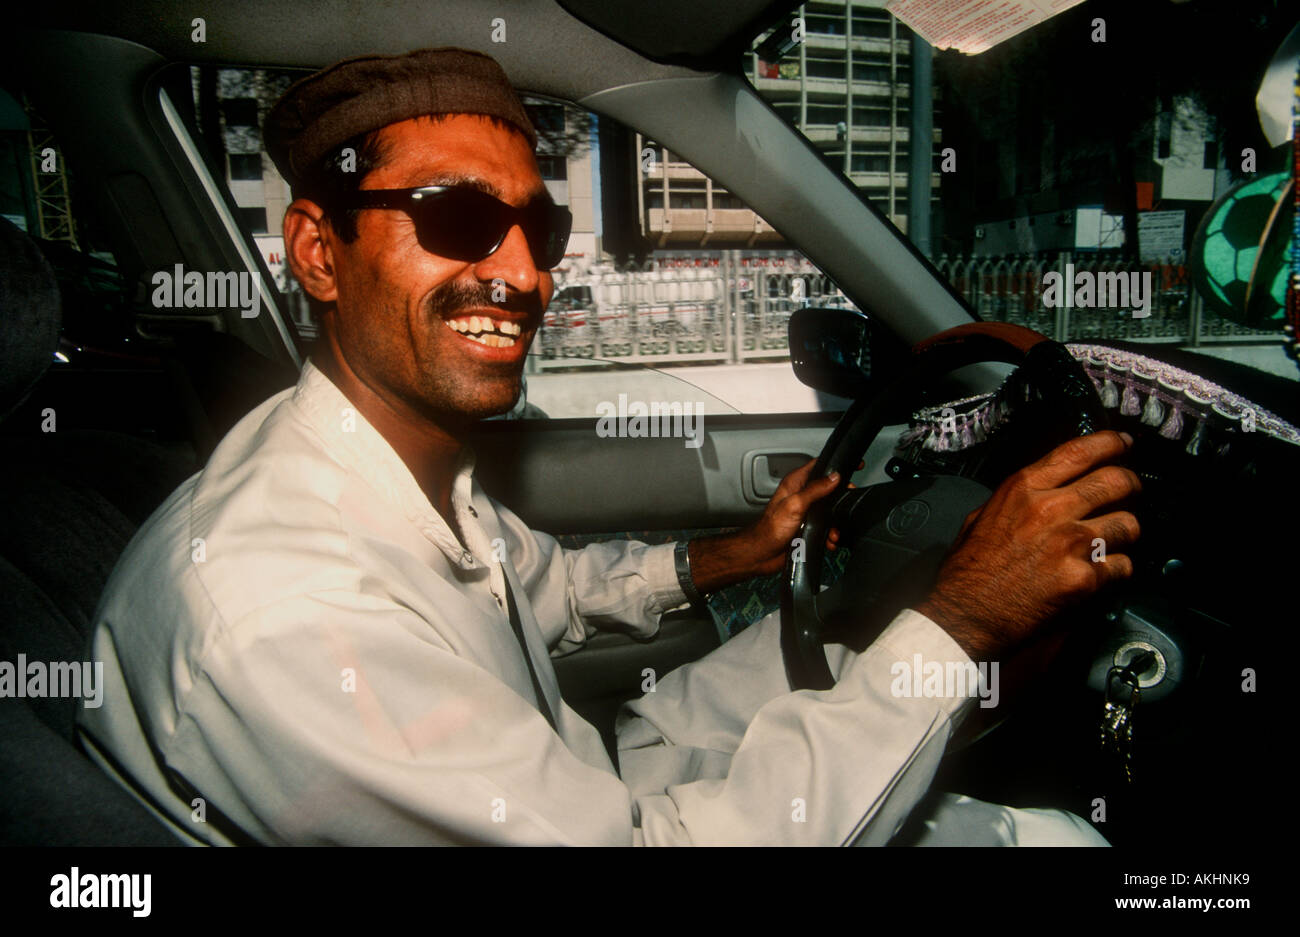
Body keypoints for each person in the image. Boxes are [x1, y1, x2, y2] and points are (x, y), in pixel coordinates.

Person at [77, 48, 1139, 845]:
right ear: (317, 250)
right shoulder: (290, 621)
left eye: (536, 233)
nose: (526, 275)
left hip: (581, 774)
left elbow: (540, 591)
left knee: (835, 654)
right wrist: (960, 621)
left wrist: (725, 557)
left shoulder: (379, 460)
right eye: (454, 219)